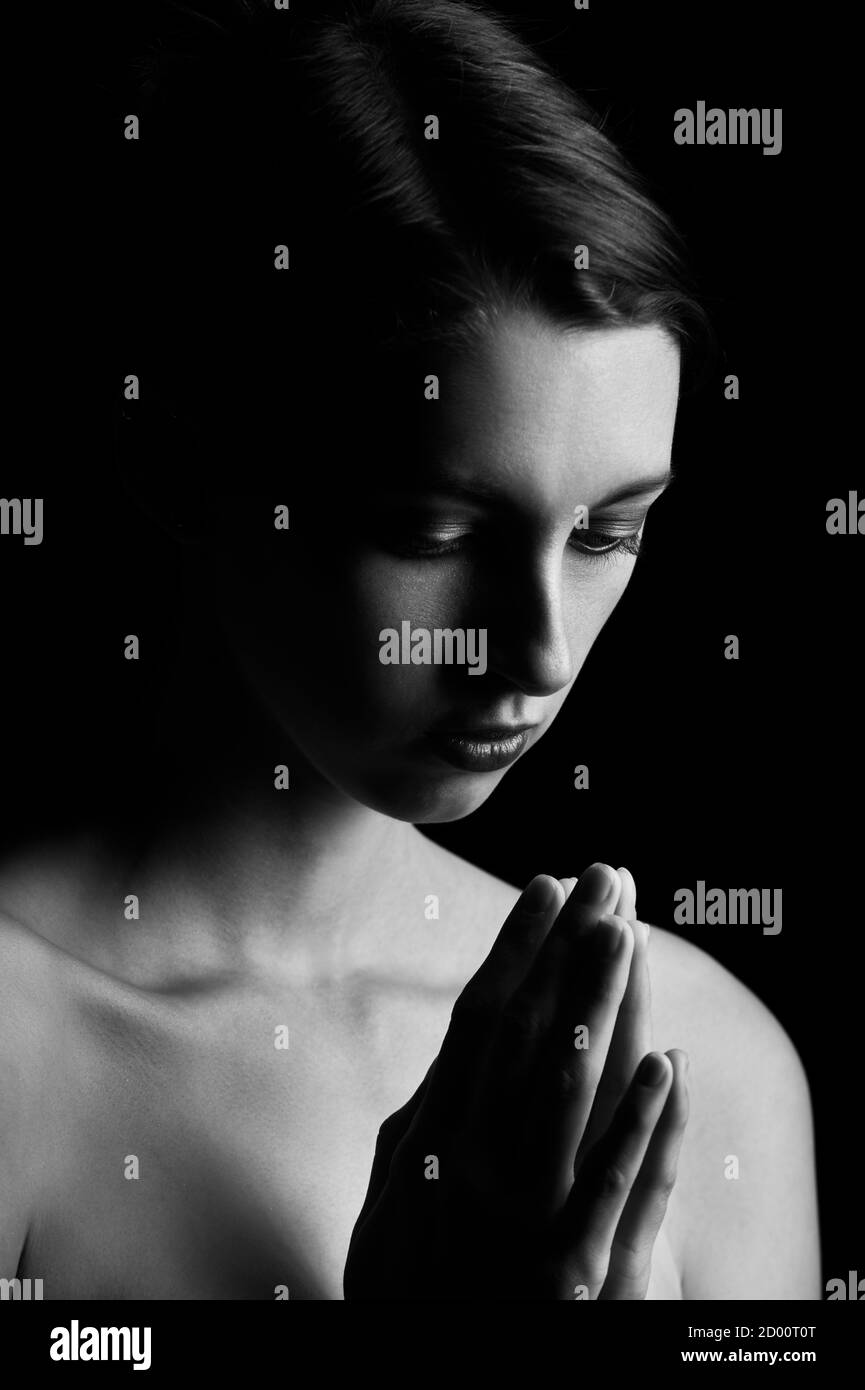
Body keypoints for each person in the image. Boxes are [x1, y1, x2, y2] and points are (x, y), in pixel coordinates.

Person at [0, 0, 819, 1299]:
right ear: (180, 460)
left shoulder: (704, 1061)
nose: (535, 648)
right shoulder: (19, 1057)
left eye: (606, 531)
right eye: (434, 528)